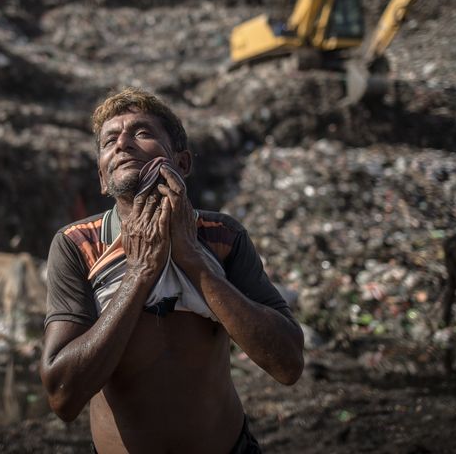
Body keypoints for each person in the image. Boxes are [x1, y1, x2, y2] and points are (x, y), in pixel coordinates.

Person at [40, 87, 304, 453]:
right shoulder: (79, 246)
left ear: (181, 164)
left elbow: (288, 364)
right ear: (102, 178)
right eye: (109, 140)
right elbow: (63, 396)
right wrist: (139, 273)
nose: (122, 144)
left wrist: (193, 259)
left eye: (142, 132)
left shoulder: (221, 238)